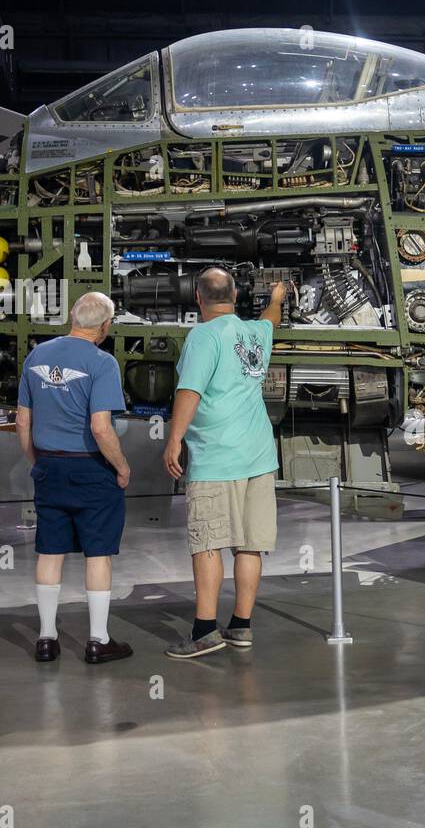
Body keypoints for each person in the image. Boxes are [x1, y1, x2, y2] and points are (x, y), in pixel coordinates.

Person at [161, 268, 284, 659]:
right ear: (234, 295)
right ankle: (241, 626)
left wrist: (174, 439)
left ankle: (204, 631)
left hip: (217, 456)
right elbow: (271, 319)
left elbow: (189, 392)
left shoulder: (202, 337)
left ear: (198, 298)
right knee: (249, 545)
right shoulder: (254, 333)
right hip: (259, 455)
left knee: (208, 542)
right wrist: (277, 298)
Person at [17, 291, 134, 664]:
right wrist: (121, 467)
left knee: (49, 550)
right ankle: (98, 640)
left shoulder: (37, 356)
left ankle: (47, 638)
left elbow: (22, 420)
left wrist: (37, 461)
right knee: (97, 553)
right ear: (105, 325)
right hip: (91, 469)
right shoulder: (103, 363)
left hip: (49, 466)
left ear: (72, 316)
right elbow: (101, 428)